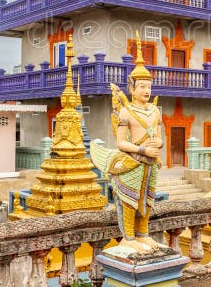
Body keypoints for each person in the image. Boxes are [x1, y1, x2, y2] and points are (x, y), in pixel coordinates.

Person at [90, 32, 164, 254]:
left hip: (151, 164)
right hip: (132, 162)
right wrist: (142, 148)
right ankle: (129, 237)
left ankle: (143, 234)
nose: (146, 90)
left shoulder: (155, 110)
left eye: (148, 86)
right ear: (132, 89)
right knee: (130, 201)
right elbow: (121, 143)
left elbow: (160, 137)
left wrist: (156, 144)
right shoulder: (126, 111)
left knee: (147, 201)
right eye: (141, 86)